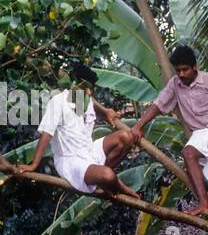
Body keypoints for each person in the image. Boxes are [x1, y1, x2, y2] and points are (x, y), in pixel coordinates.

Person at [130, 45, 208, 215]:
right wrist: (139, 125)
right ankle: (205, 204)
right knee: (188, 154)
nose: (181, 74)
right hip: (201, 132)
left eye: (185, 70)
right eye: (178, 71)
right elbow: (158, 105)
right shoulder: (175, 84)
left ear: (194, 67)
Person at [18, 61, 142, 199]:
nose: (90, 92)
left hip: (89, 151)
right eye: (86, 88)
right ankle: (117, 185)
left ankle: (102, 178)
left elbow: (94, 107)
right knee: (108, 176)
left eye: (91, 88)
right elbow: (46, 134)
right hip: (70, 161)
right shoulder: (58, 102)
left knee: (126, 137)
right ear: (74, 84)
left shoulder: (85, 101)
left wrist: (106, 112)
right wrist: (34, 165)